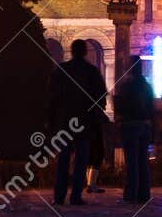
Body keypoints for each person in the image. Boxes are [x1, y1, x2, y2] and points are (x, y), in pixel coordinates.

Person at [47, 39, 106, 205]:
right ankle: (76, 196)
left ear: (72, 51)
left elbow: (52, 97)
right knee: (81, 159)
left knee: (63, 159)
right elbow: (101, 97)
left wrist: (51, 120)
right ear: (85, 52)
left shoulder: (61, 71)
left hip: (64, 121)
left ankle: (59, 196)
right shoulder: (92, 72)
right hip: (84, 122)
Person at [114, 56, 154, 204]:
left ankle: (131, 194)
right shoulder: (146, 85)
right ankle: (144, 194)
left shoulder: (126, 85)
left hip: (130, 124)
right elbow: (151, 106)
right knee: (143, 161)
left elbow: (119, 105)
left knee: (132, 162)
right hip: (144, 124)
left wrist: (120, 117)